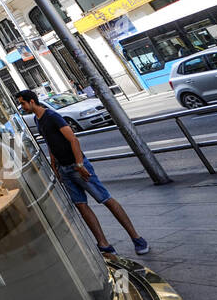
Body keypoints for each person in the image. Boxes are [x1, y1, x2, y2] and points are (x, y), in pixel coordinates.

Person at [15, 89, 149, 256]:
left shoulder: (52, 116)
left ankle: (137, 238)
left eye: (22, 103)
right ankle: (104, 244)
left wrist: (79, 164)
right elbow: (51, 143)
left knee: (105, 199)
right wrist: (54, 164)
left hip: (77, 166)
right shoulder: (38, 119)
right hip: (64, 169)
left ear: (32, 101)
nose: (21, 107)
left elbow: (73, 139)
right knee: (81, 205)